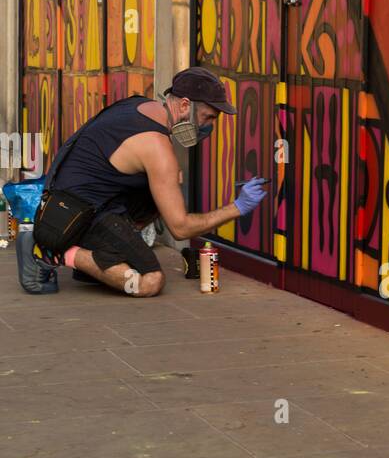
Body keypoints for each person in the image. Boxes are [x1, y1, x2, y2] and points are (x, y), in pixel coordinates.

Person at [46, 67, 268, 297]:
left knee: (164, 186)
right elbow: (180, 228)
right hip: (76, 216)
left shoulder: (141, 107)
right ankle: (56, 252)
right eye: (208, 117)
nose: (208, 126)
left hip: (70, 200)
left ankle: (94, 261)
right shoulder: (156, 146)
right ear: (184, 106)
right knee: (149, 282)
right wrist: (237, 208)